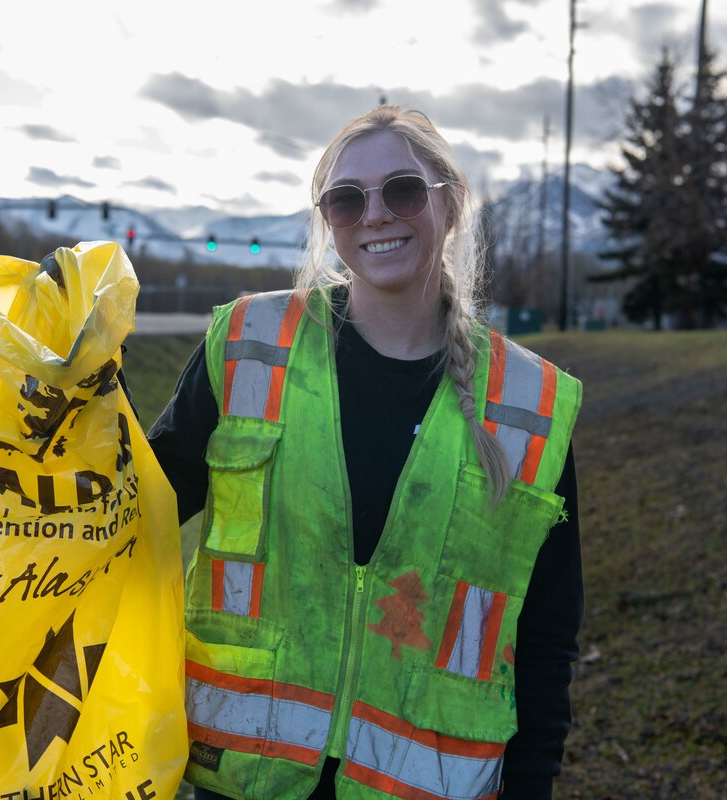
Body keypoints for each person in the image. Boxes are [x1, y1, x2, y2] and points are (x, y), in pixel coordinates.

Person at [147, 105, 583, 800]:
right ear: (328, 222)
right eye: (346, 200)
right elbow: (131, 514)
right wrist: (63, 395)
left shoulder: (527, 405)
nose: (375, 215)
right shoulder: (249, 350)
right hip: (242, 781)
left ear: (452, 203)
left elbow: (545, 636)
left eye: (403, 190)